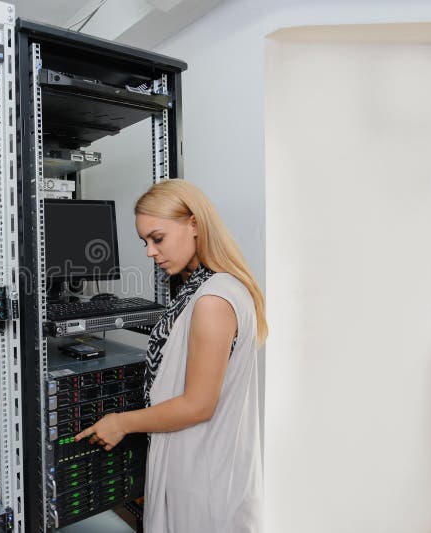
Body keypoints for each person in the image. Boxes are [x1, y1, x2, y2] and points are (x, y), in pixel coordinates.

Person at [74, 179, 267, 532]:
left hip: (204, 483)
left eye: (158, 238)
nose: (150, 252)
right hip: (200, 469)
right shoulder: (203, 287)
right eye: (145, 242)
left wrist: (121, 422)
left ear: (194, 224)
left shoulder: (213, 300)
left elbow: (198, 405)